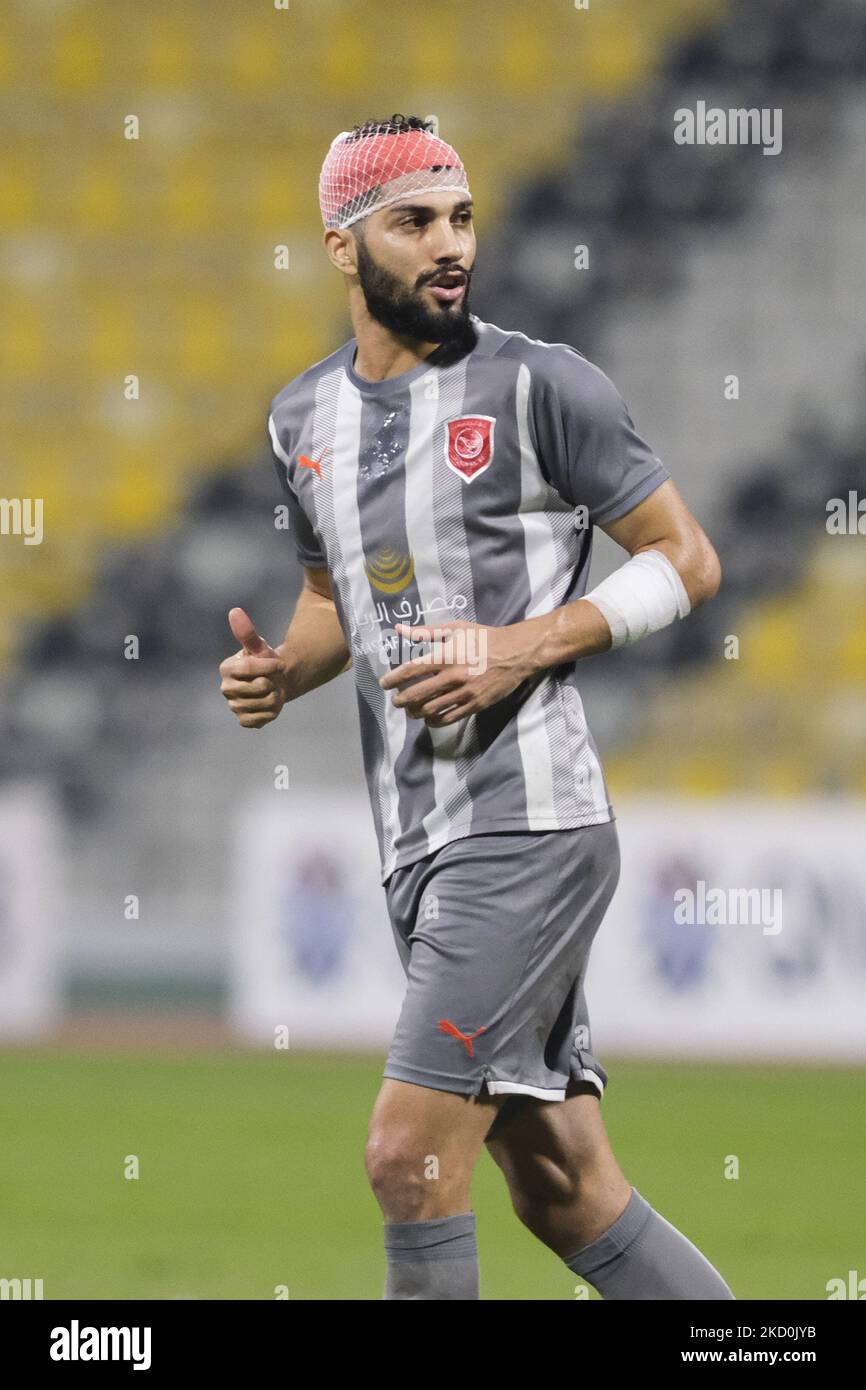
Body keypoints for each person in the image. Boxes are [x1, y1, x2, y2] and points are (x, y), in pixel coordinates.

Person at [220, 114, 733, 1301]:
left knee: (405, 1156)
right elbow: (333, 598)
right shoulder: (300, 421)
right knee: (563, 1185)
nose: (450, 244)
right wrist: (282, 670)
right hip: (417, 840)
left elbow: (686, 559)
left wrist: (518, 647)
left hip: (525, 827)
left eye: (460, 218)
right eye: (413, 222)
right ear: (343, 247)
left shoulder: (543, 386)